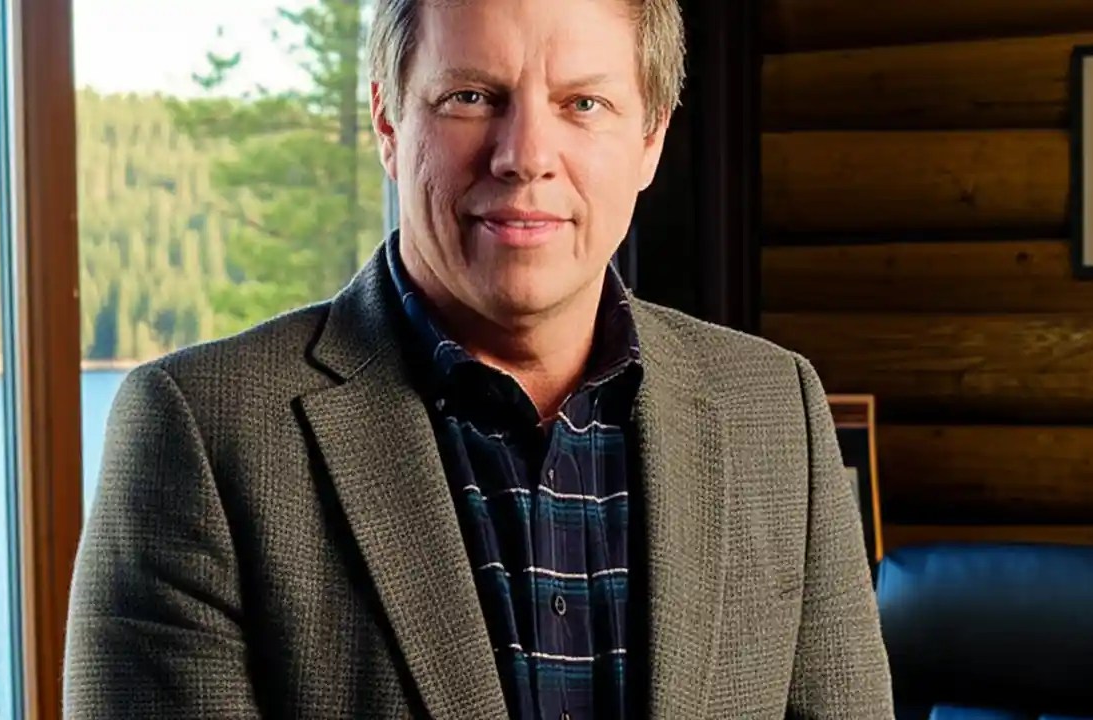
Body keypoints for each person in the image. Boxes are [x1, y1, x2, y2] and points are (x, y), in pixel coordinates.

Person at [62, 0, 895, 716]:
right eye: (471, 97)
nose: (524, 155)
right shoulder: (201, 431)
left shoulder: (773, 408)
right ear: (389, 122)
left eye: (584, 104)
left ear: (651, 139)